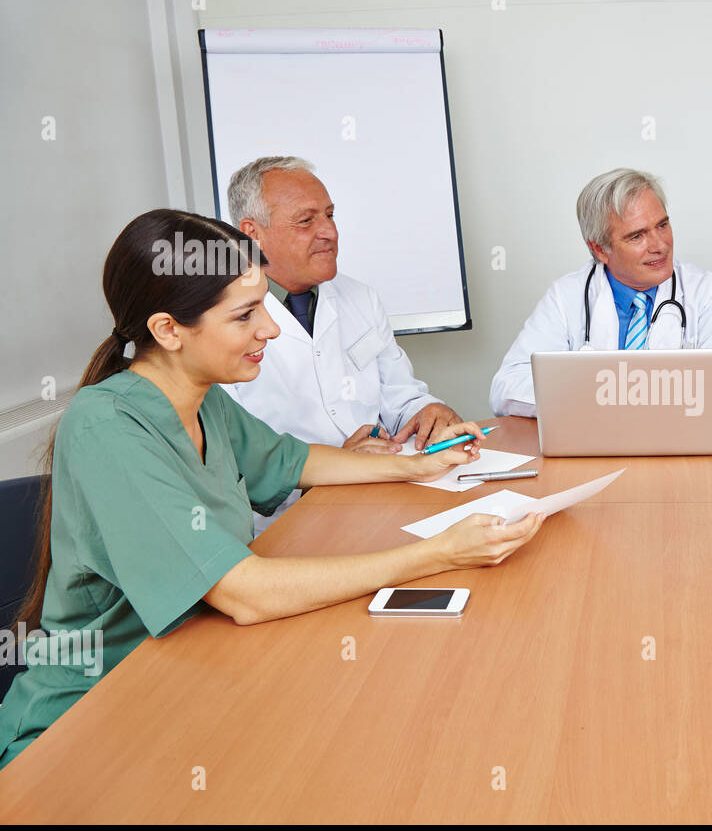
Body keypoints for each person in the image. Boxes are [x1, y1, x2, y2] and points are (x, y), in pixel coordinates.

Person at [0, 210, 544, 768]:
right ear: (168, 330)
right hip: (87, 722)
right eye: (245, 315)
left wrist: (418, 466)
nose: (272, 328)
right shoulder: (107, 427)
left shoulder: (202, 398)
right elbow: (244, 593)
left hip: (196, 672)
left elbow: (295, 461)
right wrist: (438, 554)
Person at [222, 156, 464, 530]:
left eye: (330, 216)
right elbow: (234, 467)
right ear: (252, 233)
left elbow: (402, 398)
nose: (329, 232)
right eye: (306, 221)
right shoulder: (217, 323)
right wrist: (337, 467)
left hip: (384, 493)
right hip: (288, 525)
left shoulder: (360, 298)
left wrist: (430, 410)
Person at [489, 168, 712, 416]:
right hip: (592, 448)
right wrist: (652, 394)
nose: (660, 245)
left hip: (676, 451)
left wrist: (602, 393)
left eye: (662, 225)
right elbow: (507, 389)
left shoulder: (704, 290)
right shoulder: (566, 296)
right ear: (600, 249)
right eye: (637, 236)